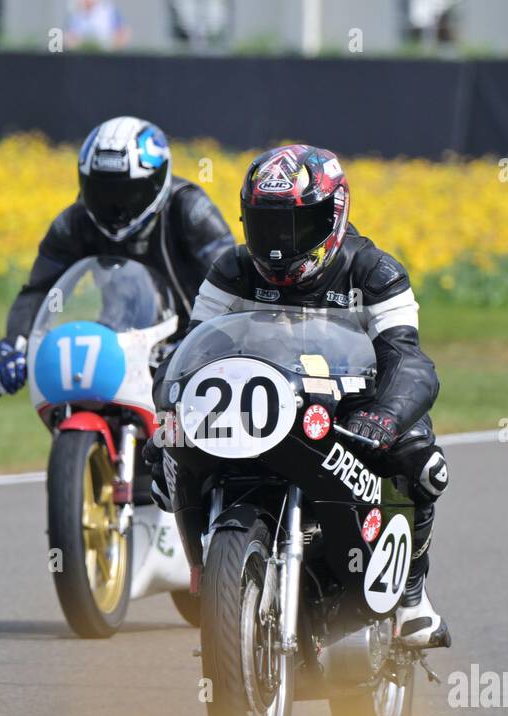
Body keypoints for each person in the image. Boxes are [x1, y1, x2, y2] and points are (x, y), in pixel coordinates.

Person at [152, 145, 451, 649]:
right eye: (267, 227)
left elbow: (409, 360)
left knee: (422, 460)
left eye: (297, 225)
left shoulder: (375, 273)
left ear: (334, 215)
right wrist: (167, 418)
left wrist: (384, 416)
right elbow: (192, 351)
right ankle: (216, 572)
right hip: (258, 409)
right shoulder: (231, 271)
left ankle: (412, 599)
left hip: (348, 412)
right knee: (162, 459)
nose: (279, 244)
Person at [0, 116, 234, 396]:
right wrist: (17, 344)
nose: (115, 208)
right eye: (101, 192)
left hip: (196, 344)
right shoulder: (74, 222)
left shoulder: (190, 210)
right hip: (119, 343)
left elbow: (229, 282)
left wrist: (208, 338)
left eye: (128, 193)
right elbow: (38, 290)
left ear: (157, 183)